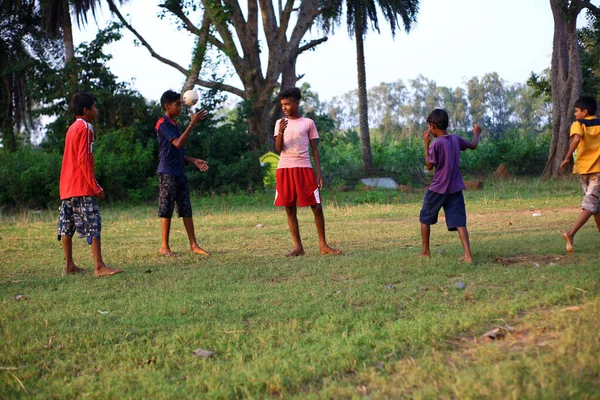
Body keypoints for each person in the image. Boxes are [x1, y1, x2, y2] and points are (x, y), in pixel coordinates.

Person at [57, 92, 123, 276]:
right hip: (82, 186)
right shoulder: (86, 127)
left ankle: (69, 264)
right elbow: (83, 159)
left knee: (67, 225)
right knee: (93, 223)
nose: (97, 110)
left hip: (67, 187)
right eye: (94, 107)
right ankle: (99, 266)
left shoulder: (71, 128)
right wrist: (95, 186)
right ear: (86, 110)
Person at [273, 87, 341, 257]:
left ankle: (323, 245)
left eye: (287, 104)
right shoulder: (279, 123)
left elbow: (315, 150)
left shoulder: (308, 123)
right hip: (285, 169)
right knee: (289, 208)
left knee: (316, 206)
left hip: (304, 168)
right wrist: (281, 131)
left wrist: (319, 173)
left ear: (297, 102)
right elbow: (278, 148)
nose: (284, 108)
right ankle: (298, 247)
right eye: (282, 105)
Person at [418, 109, 482, 263]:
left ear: (432, 126)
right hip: (455, 188)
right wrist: (477, 133)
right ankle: (468, 255)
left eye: (429, 126)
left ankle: (426, 251)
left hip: (438, 188)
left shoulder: (436, 144)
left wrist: (426, 144)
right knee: (460, 221)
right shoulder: (456, 139)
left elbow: (428, 165)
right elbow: (473, 145)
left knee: (425, 218)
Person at [156, 90, 211, 257]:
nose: (180, 107)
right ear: (167, 106)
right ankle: (164, 247)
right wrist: (192, 124)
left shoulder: (175, 124)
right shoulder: (162, 124)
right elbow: (178, 144)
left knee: (186, 208)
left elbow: (177, 151)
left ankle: (194, 245)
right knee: (167, 209)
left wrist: (193, 160)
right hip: (167, 172)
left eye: (181, 104)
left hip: (179, 171)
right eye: (177, 104)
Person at [560, 95, 600, 254]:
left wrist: (568, 157)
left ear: (585, 111)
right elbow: (577, 139)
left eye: (576, 111)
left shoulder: (578, 124)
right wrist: (568, 157)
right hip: (597, 170)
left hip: (583, 170)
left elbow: (576, 139)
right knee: (591, 205)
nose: (575, 114)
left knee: (596, 206)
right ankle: (570, 233)